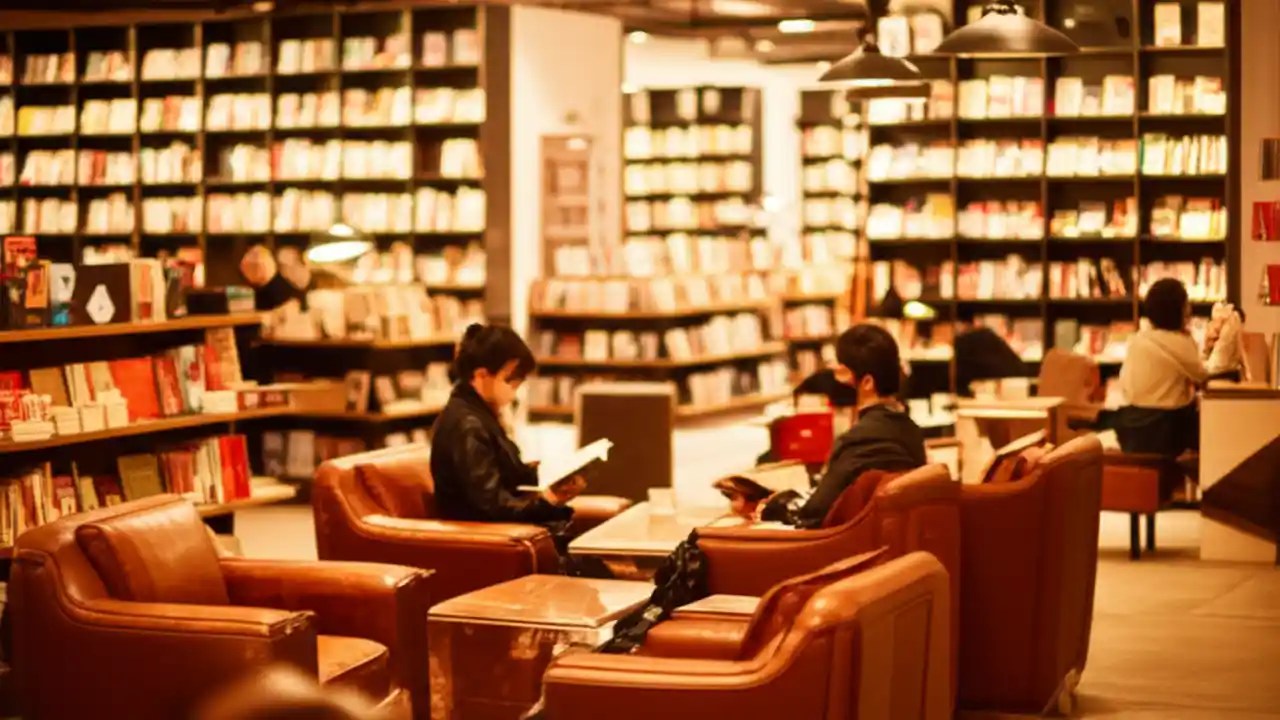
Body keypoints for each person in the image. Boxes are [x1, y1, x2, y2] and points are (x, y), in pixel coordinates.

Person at [766, 323, 927, 528]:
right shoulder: (911, 431)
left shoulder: (858, 440)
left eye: (842, 373)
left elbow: (814, 512)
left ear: (867, 382)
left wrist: (771, 506)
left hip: (843, 548)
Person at [430, 324, 586, 526]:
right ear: (481, 376)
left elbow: (508, 478)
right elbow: (491, 505)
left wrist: (553, 476)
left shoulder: (479, 415)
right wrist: (548, 502)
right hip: (487, 540)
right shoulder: (468, 425)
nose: (515, 389)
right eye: (510, 380)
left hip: (501, 532)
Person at [1112, 278, 1213, 457]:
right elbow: (1203, 375)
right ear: (1178, 310)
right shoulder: (1181, 343)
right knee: (1215, 421)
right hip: (1165, 429)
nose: (1189, 311)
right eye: (1186, 305)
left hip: (1132, 427)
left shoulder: (1138, 339)